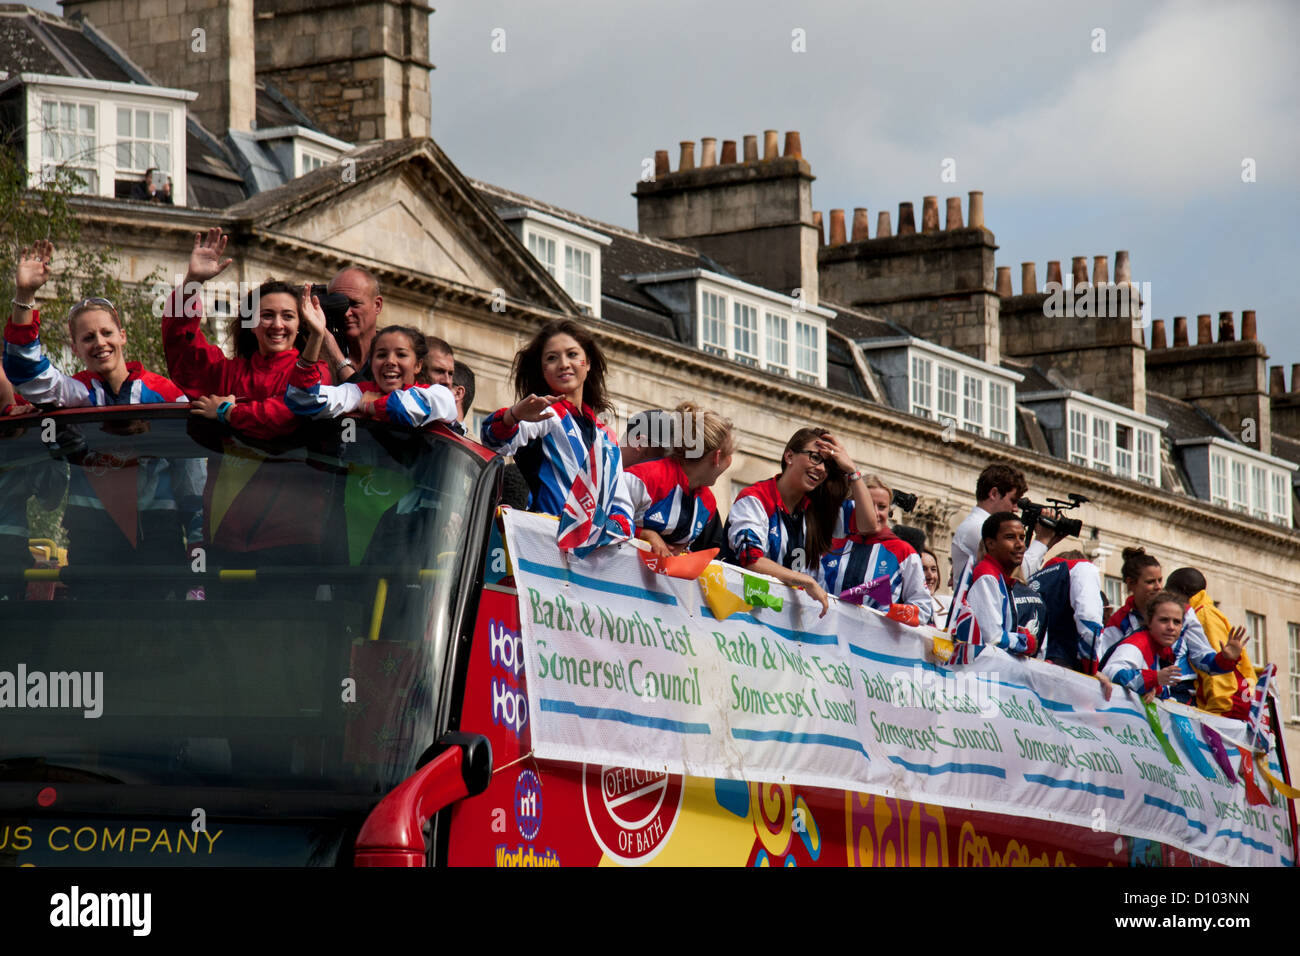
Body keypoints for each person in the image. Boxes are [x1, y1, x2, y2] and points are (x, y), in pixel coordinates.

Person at [4, 240, 200, 591]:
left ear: (123, 336)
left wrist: (197, 532)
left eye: (107, 332)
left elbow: (192, 469)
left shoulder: (165, 393)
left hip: (158, 532)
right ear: (75, 347)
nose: (99, 342)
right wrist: (24, 296)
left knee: (160, 635)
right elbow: (24, 370)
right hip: (91, 533)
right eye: (88, 337)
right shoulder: (77, 393)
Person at [480, 319, 633, 555]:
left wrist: (600, 533)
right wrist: (514, 415)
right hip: (544, 551)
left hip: (595, 560)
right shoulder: (545, 414)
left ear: (588, 362)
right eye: (551, 358)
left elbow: (623, 511)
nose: (563, 364)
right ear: (542, 370)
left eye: (572, 354)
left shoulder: (606, 437)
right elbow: (494, 441)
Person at [163, 228, 329, 438]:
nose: (277, 325)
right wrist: (192, 283)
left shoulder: (316, 372)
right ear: (251, 322)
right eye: (267, 315)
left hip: (293, 471)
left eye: (288, 316)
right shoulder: (229, 373)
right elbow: (183, 351)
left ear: (299, 325)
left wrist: (228, 412)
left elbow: (286, 415)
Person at [725, 427, 877, 617]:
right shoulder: (756, 499)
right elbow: (751, 559)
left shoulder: (816, 509)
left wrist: (851, 470)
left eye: (827, 465)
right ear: (789, 456)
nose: (821, 468)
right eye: (814, 457)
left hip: (789, 625)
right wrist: (805, 581)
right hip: (742, 616)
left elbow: (868, 526)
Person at [287, 298, 458, 428]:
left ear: (418, 365)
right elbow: (301, 399)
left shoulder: (440, 396)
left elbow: (403, 409)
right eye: (381, 355)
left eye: (401, 355)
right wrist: (316, 337)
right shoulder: (358, 392)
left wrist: (371, 405)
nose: (390, 361)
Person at [1095, 547, 1237, 702]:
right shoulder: (1122, 623)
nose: (1158, 587)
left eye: (1160, 580)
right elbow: (1105, 667)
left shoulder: (1183, 610)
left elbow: (1203, 657)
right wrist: (1151, 680)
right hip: (1139, 692)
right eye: (1150, 582)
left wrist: (1224, 659)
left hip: (1179, 694)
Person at [622, 401, 733, 557]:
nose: (731, 461)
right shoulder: (644, 478)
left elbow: (712, 555)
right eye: (730, 454)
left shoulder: (707, 503)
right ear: (717, 457)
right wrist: (646, 535)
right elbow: (601, 521)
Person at [820, 474, 931, 625]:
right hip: (827, 637)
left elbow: (923, 609)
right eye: (868, 504)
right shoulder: (831, 545)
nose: (875, 513)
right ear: (854, 504)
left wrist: (887, 614)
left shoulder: (904, 552)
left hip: (875, 642)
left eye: (882, 507)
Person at [1103, 591, 1243, 702]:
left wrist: (1225, 659)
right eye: (1164, 620)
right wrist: (1154, 678)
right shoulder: (1138, 643)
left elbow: (1161, 687)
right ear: (1149, 621)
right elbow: (1111, 673)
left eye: (1177, 622)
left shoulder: (1165, 648)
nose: (1171, 627)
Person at [950, 462, 1060, 591]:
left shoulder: (975, 525)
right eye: (1013, 501)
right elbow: (1018, 572)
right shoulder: (976, 527)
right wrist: (1042, 541)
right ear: (994, 494)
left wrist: (1048, 541)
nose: (1015, 509)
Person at [1165, 567, 1257, 720]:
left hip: (1227, 707)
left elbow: (1218, 674)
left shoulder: (1203, 615)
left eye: (1168, 592)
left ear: (1181, 591)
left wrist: (1216, 713)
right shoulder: (1203, 612)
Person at [948, 512, 1038, 660]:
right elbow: (992, 637)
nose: (1020, 545)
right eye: (1010, 537)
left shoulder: (999, 577)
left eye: (1022, 538)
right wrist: (1024, 641)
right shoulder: (987, 575)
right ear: (990, 543)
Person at [1026, 549, 1105, 672]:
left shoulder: (1033, 580)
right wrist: (1091, 669)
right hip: (1063, 666)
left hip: (1030, 664)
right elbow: (1089, 617)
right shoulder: (1081, 568)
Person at [328, 266, 383, 382]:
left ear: (377, 305)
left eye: (354, 304)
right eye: (338, 306)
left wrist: (335, 354)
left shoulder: (394, 356)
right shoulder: (316, 350)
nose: (346, 313)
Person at [919, 546, 950, 627]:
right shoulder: (901, 609)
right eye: (923, 569)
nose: (930, 576)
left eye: (933, 569)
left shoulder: (950, 606)